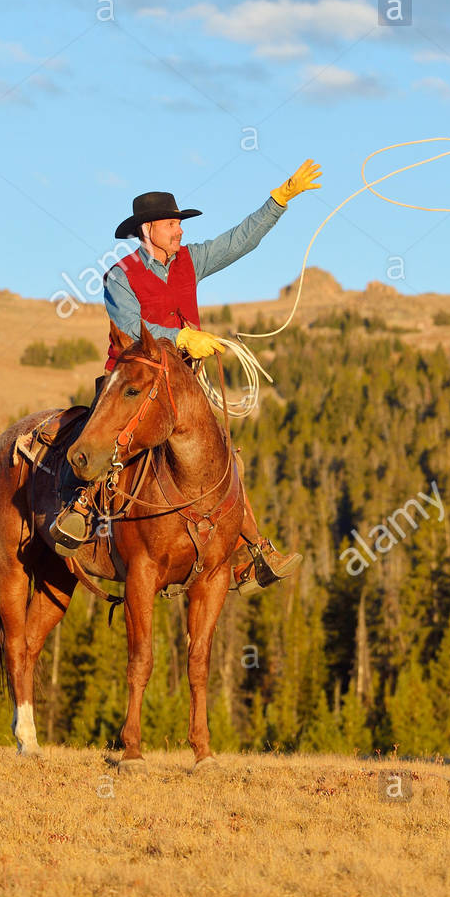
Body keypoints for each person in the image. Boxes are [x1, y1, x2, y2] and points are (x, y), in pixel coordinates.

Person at [101, 159, 322, 596]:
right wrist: (181, 335)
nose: (179, 231)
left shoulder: (190, 259)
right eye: (170, 224)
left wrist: (279, 200)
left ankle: (252, 548)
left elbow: (239, 241)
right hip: (133, 383)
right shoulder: (119, 277)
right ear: (147, 231)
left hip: (183, 383)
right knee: (103, 444)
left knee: (223, 458)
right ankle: (79, 514)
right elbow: (129, 333)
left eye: (178, 224)